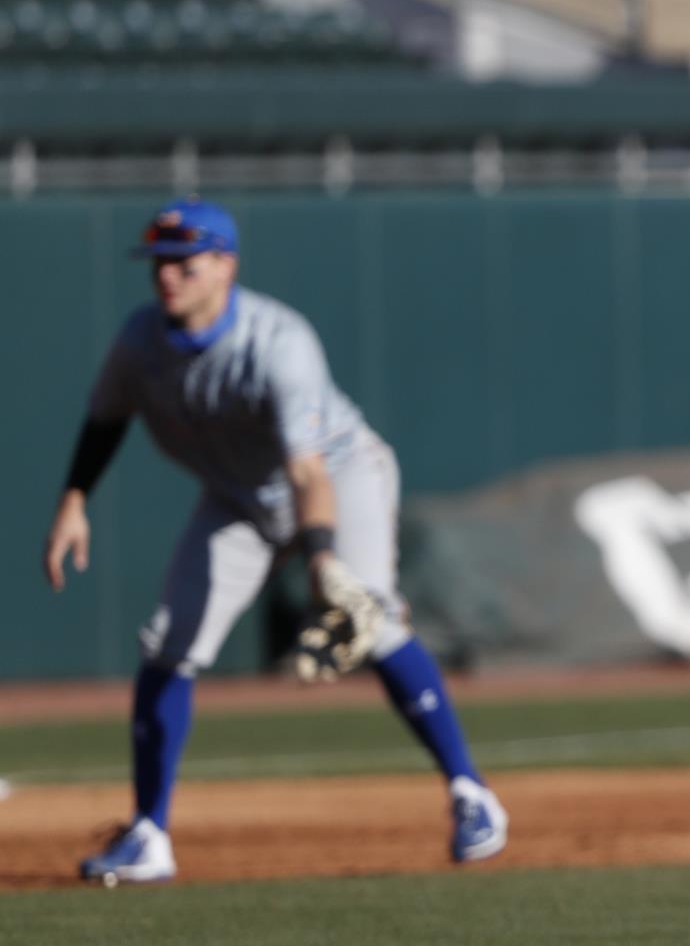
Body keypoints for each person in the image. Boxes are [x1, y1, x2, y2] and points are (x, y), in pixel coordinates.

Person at [44, 198, 508, 884]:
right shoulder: (140, 341)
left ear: (225, 263)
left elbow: (306, 470)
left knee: (370, 618)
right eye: (159, 263)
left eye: (184, 261)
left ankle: (473, 796)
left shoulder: (277, 341)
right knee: (168, 642)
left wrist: (322, 558)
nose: (167, 275)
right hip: (237, 498)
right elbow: (104, 418)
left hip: (340, 472)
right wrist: (75, 498)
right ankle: (149, 833)